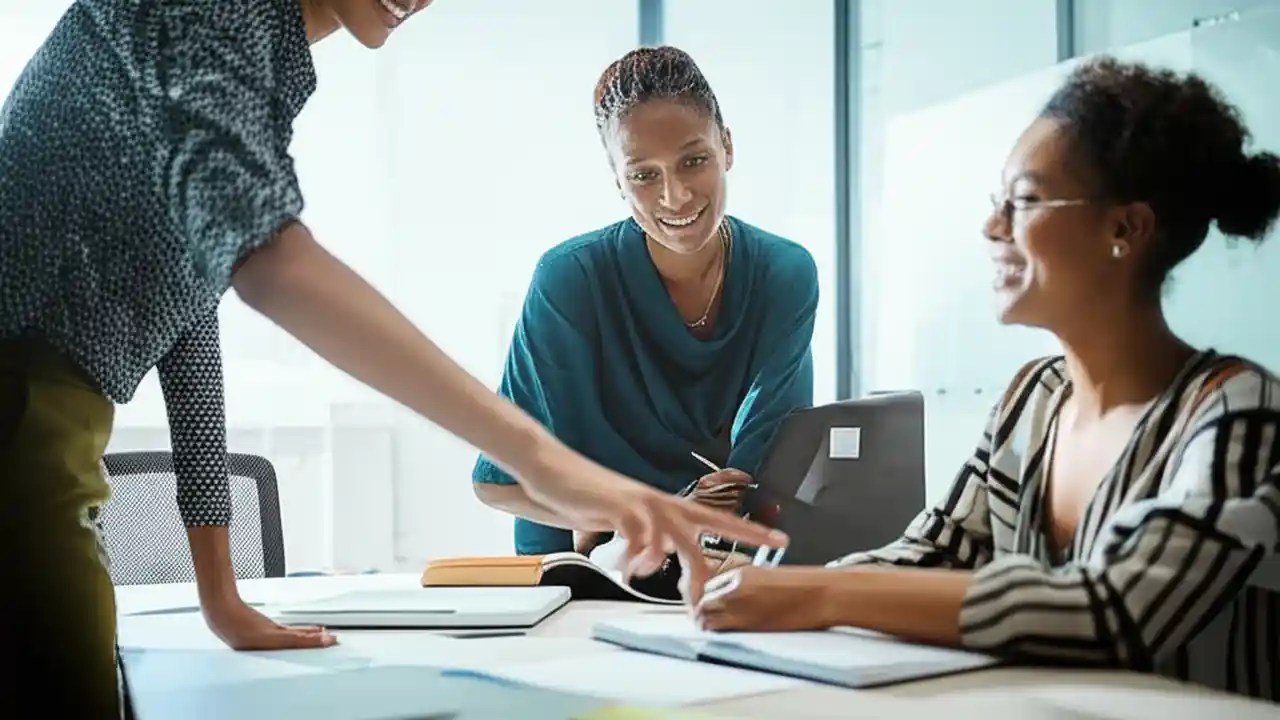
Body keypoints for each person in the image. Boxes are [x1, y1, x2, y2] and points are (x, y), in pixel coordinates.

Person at [0, 1, 784, 716]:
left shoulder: (262, 63)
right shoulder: (211, 12)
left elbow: (191, 309)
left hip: (53, 420)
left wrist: (220, 594)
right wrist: (542, 460)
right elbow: (270, 263)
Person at [692, 57, 1280, 701]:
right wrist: (763, 587)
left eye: (1023, 201)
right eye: (996, 201)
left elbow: (1115, 611)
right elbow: (932, 553)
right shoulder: (1033, 399)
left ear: (1125, 228)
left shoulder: (1237, 413)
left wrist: (820, 592)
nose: (992, 226)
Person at [471, 46, 818, 574]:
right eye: (643, 175)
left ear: (726, 146)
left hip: (712, 553)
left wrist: (701, 509)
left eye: (693, 161)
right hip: (577, 562)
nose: (675, 196)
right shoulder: (570, 280)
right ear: (616, 179)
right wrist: (634, 512)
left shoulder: (783, 274)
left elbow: (765, 468)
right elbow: (498, 481)